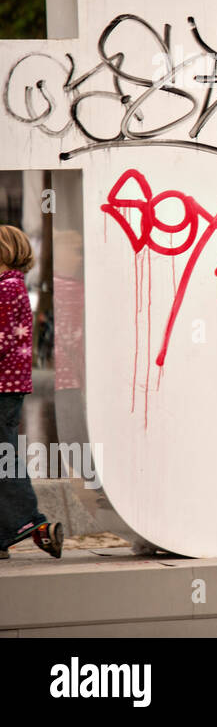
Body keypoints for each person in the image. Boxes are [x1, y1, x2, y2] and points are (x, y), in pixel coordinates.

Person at [0, 225, 61, 560]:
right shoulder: (10, 286)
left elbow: (3, 337)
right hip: (8, 384)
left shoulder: (8, 288)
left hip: (2, 386)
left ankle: (34, 524)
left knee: (4, 455)